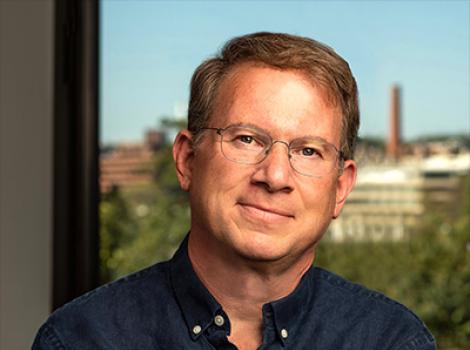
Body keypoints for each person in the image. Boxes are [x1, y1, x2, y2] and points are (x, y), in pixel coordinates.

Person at [33, 32, 436, 350]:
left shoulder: (393, 341)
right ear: (188, 160)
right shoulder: (81, 340)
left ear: (341, 187)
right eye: (247, 140)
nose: (275, 176)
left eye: (308, 150)